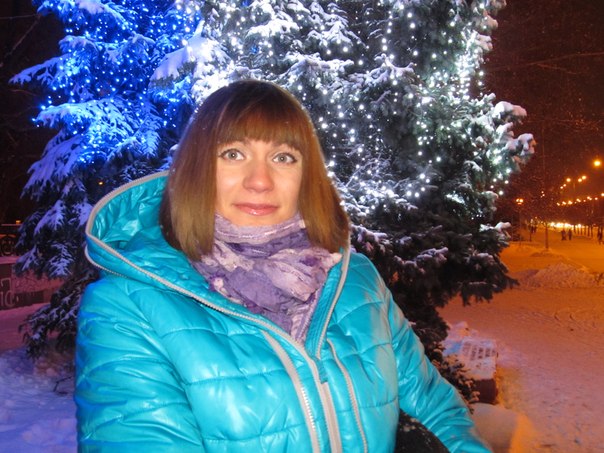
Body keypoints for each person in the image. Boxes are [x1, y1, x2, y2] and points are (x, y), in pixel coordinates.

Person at [75, 80, 491, 452]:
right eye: (233, 153)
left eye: (284, 157)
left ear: (307, 175)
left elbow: (437, 412)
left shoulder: (356, 279)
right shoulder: (127, 306)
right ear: (197, 170)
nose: (260, 180)